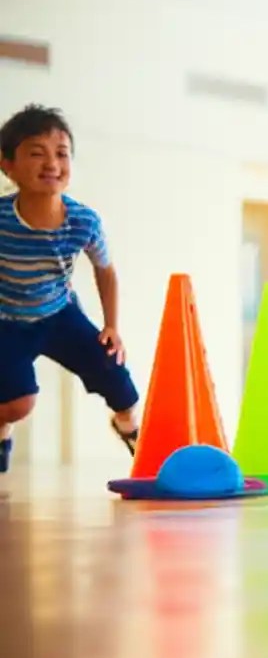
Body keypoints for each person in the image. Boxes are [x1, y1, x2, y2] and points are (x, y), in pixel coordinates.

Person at [0, 105, 140, 472]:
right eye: (36, 153)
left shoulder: (83, 221)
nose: (52, 163)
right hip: (8, 320)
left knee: (114, 373)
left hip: (60, 314)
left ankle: (128, 426)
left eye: (61, 153)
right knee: (19, 402)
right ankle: (3, 426)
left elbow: (105, 270)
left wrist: (111, 326)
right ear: (7, 164)